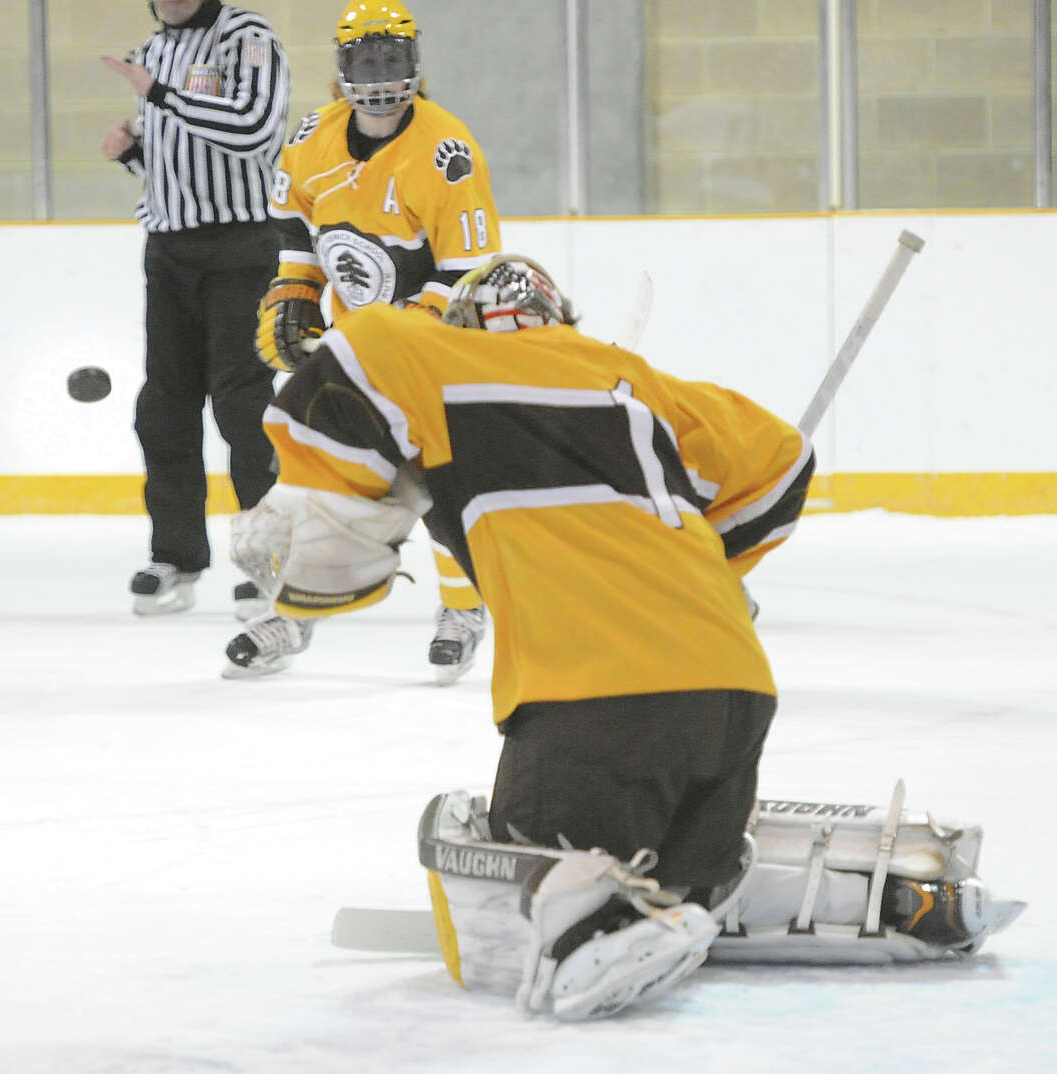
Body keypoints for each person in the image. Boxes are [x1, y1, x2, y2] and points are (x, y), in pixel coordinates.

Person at [228, 255, 820, 1015]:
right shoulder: (640, 384)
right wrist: (708, 562)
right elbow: (783, 461)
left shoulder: (443, 357)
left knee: (512, 858)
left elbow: (356, 353)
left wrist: (336, 494)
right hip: (734, 695)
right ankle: (692, 888)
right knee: (678, 854)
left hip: (597, 701)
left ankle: (594, 926)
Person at [221, 1, 502, 682]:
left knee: (435, 486)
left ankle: (462, 611)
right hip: (354, 349)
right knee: (322, 483)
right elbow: (295, 228)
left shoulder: (446, 152)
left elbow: (467, 270)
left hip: (439, 348)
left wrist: (400, 340)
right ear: (342, 67)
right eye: (366, 60)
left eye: (393, 59)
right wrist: (293, 293)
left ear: (415, 64)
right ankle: (291, 615)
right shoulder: (315, 134)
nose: (380, 75)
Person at [100, 0, 290, 617]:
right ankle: (176, 556)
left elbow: (254, 130)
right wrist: (132, 152)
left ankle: (269, 562)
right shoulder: (152, 50)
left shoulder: (247, 36)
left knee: (243, 404)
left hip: (242, 244)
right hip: (169, 249)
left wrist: (158, 94)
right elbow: (176, 163)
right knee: (165, 406)